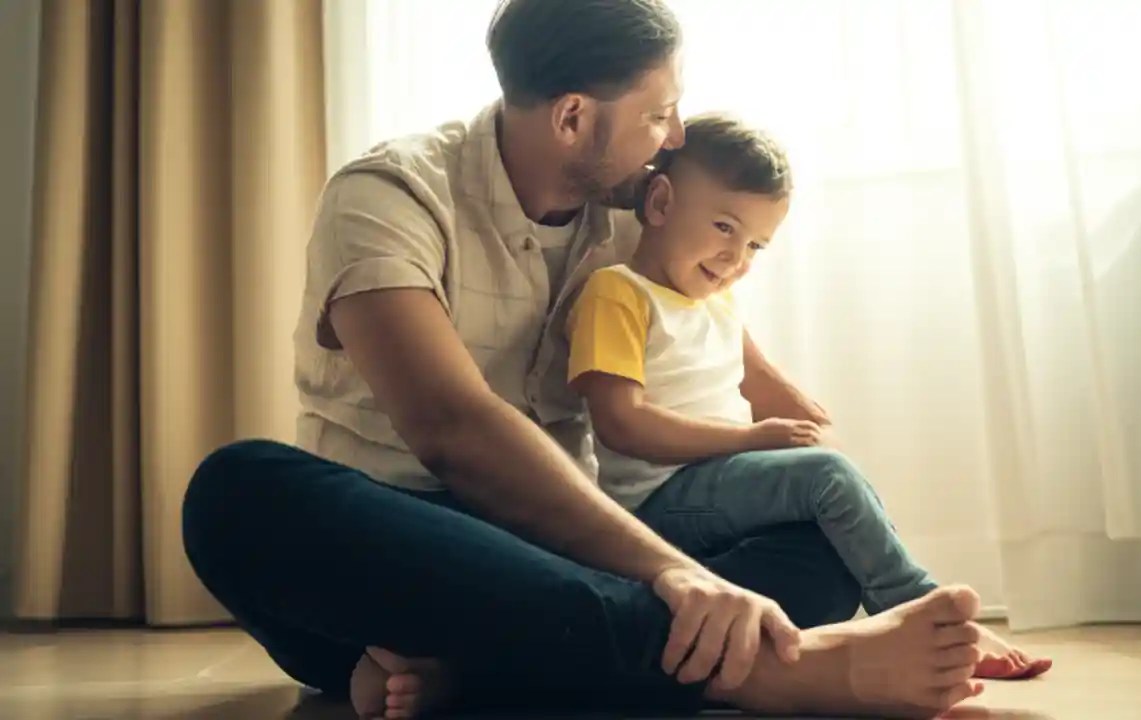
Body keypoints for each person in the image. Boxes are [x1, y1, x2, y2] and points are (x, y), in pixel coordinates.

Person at [181, 1, 990, 718]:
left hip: (572, 554)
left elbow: (700, 313)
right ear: (572, 118)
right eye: (659, 114)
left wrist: (781, 413)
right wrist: (678, 577)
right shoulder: (387, 199)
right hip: (407, 553)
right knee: (237, 492)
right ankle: (768, 672)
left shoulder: (641, 207)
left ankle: (476, 679)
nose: (675, 136)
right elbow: (451, 428)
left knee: (812, 546)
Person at [568, 113, 1053, 681]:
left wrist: (823, 439)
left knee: (830, 549)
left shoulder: (712, 301)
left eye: (755, 245)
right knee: (823, 478)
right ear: (660, 204)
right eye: (725, 228)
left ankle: (772, 634)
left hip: (714, 489)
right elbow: (620, 424)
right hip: (655, 502)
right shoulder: (618, 293)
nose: (736, 259)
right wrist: (761, 443)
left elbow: (762, 382)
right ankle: (928, 615)